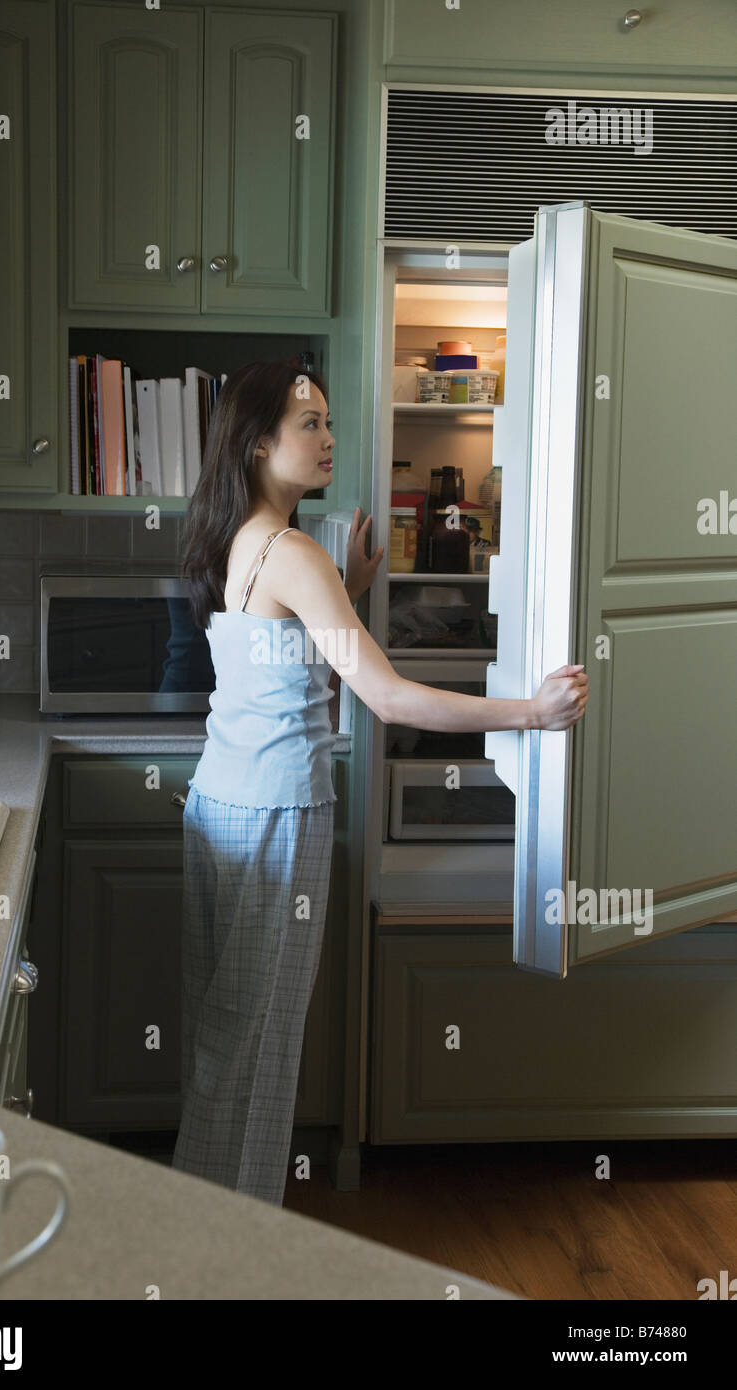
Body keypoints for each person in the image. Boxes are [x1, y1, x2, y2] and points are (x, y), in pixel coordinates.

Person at [173, 359, 588, 1206]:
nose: (329, 438)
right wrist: (530, 713)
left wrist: (348, 590)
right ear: (258, 442)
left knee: (222, 1038)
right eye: (309, 425)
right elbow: (388, 695)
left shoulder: (234, 535)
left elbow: (285, 660)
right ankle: (227, 1255)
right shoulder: (293, 553)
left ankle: (201, 1233)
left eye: (328, 421)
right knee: (258, 1046)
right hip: (278, 816)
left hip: (220, 801)